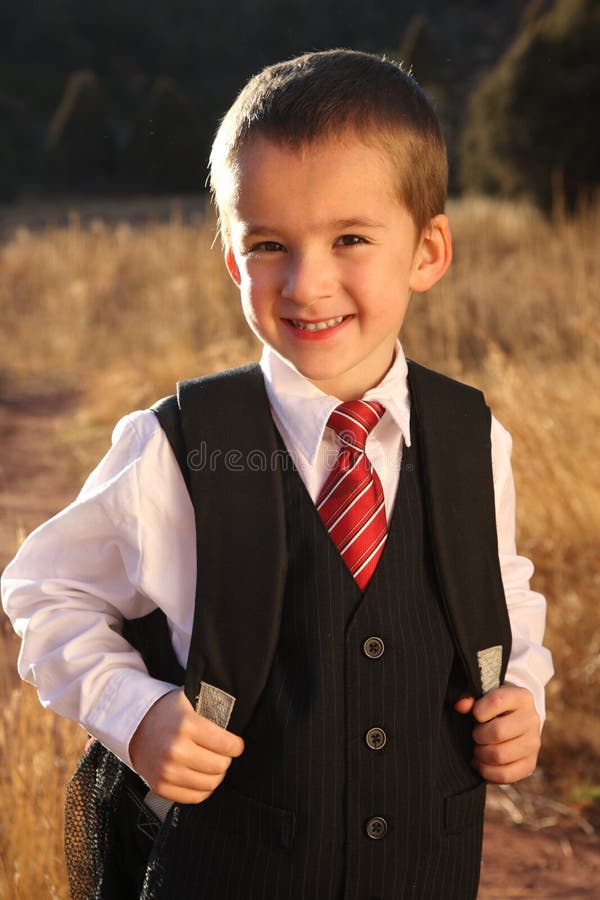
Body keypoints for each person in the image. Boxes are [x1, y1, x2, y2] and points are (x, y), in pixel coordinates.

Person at [2, 49, 553, 899]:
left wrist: (520, 688)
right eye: (268, 245)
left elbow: (502, 590)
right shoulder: (180, 445)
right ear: (232, 257)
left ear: (428, 251)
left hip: (428, 869)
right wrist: (135, 714)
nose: (306, 282)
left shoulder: (471, 437)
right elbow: (44, 590)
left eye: (351, 238)